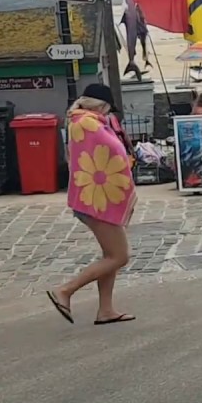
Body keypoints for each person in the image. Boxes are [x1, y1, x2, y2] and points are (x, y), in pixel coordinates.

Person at [46, 87, 137, 325]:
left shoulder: (81, 122)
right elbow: (115, 152)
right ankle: (65, 291)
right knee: (120, 256)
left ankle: (105, 310)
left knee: (110, 255)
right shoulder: (88, 124)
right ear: (100, 106)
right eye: (107, 109)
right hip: (97, 198)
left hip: (94, 197)